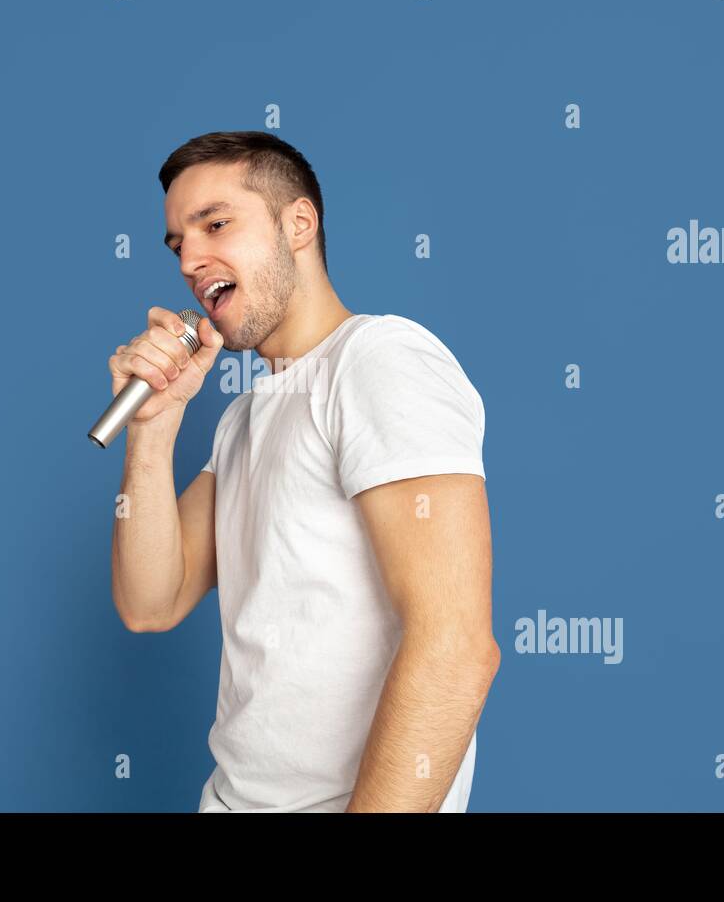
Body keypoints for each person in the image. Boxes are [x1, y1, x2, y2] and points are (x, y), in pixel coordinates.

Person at [107, 131, 499, 812]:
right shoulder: (245, 419)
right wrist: (152, 430)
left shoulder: (379, 361)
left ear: (298, 225)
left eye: (215, 224)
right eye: (178, 244)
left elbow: (456, 647)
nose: (191, 261)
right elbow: (150, 604)